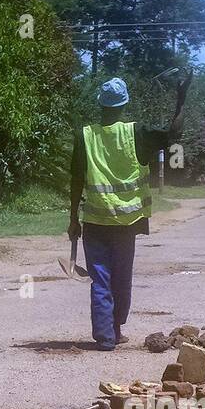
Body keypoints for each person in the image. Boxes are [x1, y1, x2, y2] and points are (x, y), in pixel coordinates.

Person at [68, 73, 191, 351]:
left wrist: (72, 219)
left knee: (100, 278)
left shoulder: (84, 135)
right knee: (121, 276)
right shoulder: (136, 133)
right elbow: (174, 136)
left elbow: (76, 180)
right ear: (124, 105)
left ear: (100, 105)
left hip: (94, 221)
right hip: (126, 221)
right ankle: (115, 328)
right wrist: (181, 98)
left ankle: (106, 337)